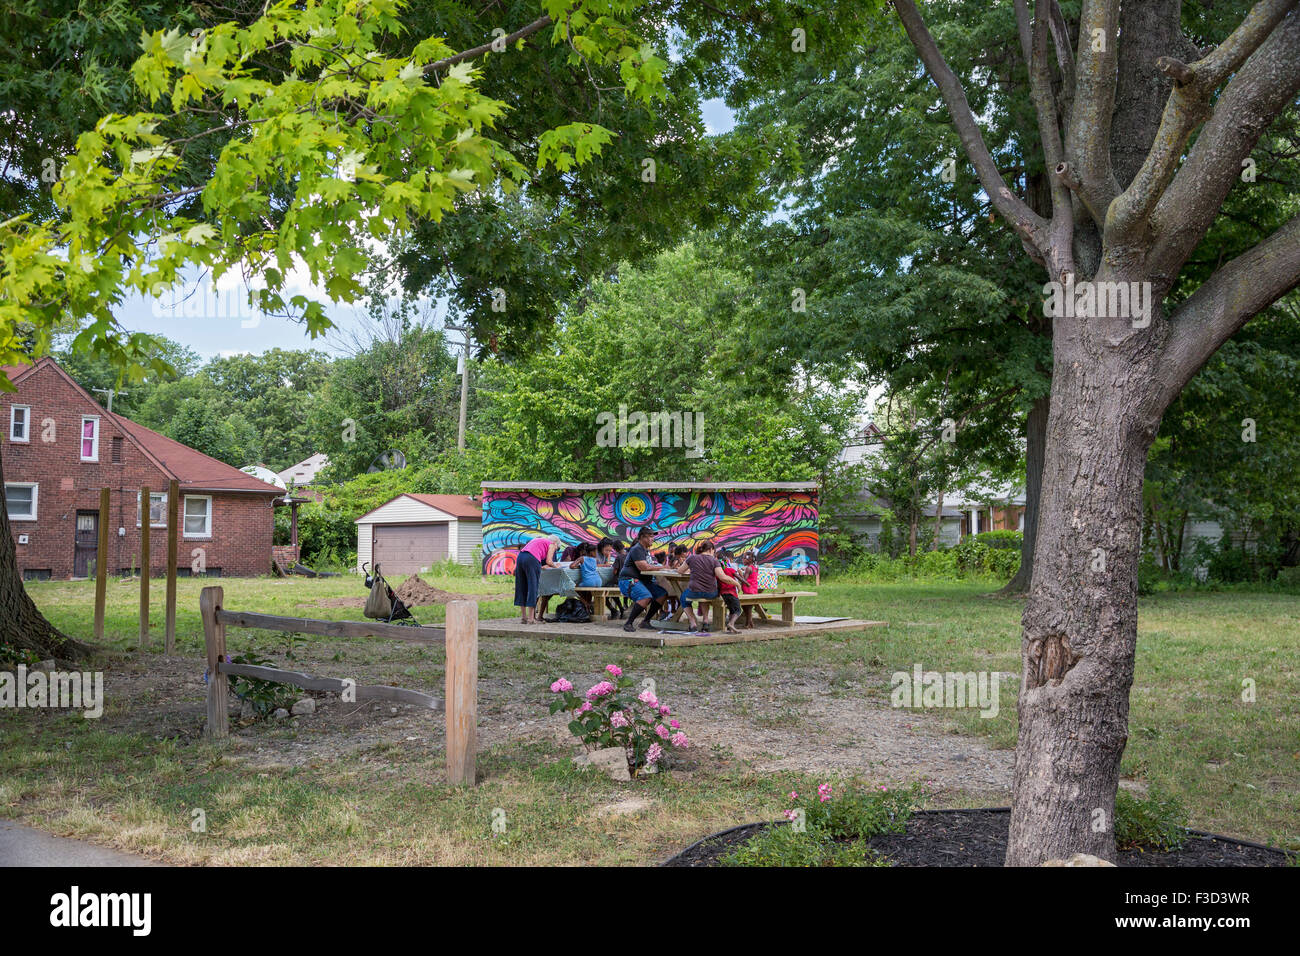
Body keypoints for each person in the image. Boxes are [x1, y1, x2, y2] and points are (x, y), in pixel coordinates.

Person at [618, 526, 668, 632]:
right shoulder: (637, 549)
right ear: (642, 537)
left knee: (661, 594)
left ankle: (645, 621)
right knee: (645, 596)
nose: (652, 538)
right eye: (650, 536)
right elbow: (644, 567)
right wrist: (663, 567)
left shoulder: (645, 550)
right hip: (628, 580)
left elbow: (649, 565)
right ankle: (628, 623)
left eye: (652, 536)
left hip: (642, 581)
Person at [514, 534, 560, 624]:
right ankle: (531, 619)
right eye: (557, 549)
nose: (555, 551)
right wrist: (556, 566)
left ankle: (524, 618)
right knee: (533, 587)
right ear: (555, 544)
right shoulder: (551, 544)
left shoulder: (538, 540)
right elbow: (549, 561)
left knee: (521, 587)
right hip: (532, 559)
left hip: (520, 557)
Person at [680, 541, 724, 632]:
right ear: (711, 549)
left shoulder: (692, 558)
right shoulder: (714, 561)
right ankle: (706, 621)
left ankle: (693, 623)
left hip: (694, 592)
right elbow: (721, 575)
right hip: (711, 592)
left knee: (683, 598)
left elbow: (680, 571)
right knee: (704, 595)